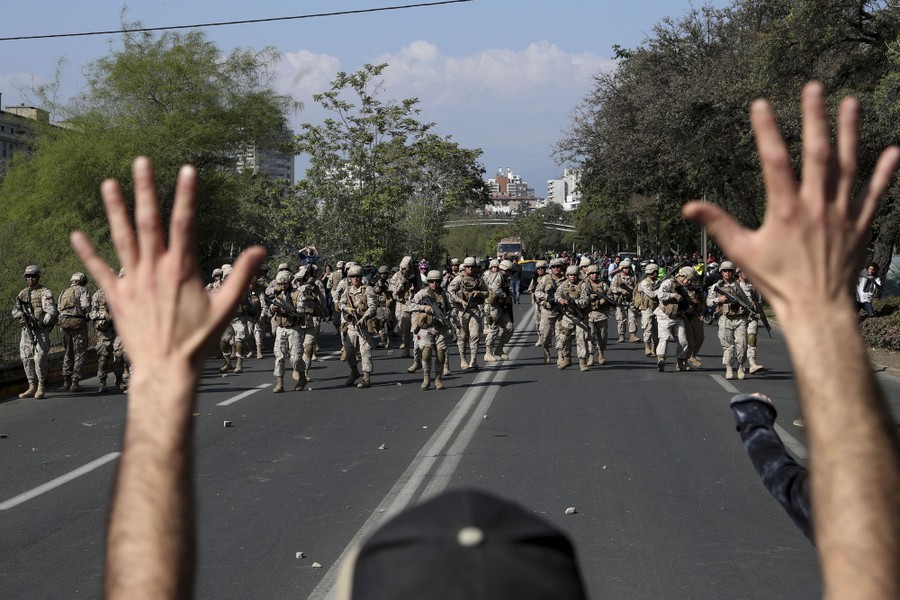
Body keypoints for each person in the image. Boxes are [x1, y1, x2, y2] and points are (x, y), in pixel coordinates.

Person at [91, 80, 900, 598]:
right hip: (442, 323)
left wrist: (160, 382)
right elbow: (875, 563)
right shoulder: (394, 284)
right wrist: (827, 319)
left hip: (493, 323)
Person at [683, 82, 900, 598]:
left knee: (741, 350)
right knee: (728, 348)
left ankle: (740, 375)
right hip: (719, 320)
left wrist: (815, 314)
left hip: (748, 333)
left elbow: (830, 500)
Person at [11, 265, 57, 399]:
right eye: (28, 276)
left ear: (38, 277)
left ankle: (41, 386)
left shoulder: (45, 292)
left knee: (40, 357)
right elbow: (15, 309)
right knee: (26, 357)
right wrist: (21, 316)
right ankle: (31, 386)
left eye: (33, 276)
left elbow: (51, 311)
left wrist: (42, 322)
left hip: (41, 329)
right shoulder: (22, 294)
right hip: (26, 330)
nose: (30, 278)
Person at [409, 269, 454, 390]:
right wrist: (424, 307)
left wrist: (447, 316)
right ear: (428, 282)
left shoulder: (445, 294)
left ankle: (438, 379)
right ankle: (426, 378)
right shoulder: (422, 293)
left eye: (437, 281)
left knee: (440, 354)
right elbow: (411, 305)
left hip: (440, 328)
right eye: (432, 282)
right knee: (426, 353)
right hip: (426, 328)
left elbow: (453, 308)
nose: (435, 284)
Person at [706, 260, 750, 380]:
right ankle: (729, 368)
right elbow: (709, 302)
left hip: (740, 319)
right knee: (728, 346)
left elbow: (749, 302)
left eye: (730, 271)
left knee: (742, 344)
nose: (727, 273)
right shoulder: (717, 287)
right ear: (721, 272)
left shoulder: (740, 285)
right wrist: (718, 300)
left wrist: (744, 310)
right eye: (725, 271)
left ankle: (741, 366)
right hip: (725, 318)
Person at [339, 264, 376, 389]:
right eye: (353, 277)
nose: (355, 279)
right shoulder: (347, 290)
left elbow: (372, 307)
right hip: (351, 325)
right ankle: (354, 372)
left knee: (365, 351)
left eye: (358, 277)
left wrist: (365, 317)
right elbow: (340, 304)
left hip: (363, 325)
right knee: (349, 351)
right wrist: (347, 309)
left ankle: (366, 377)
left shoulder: (367, 290)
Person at [447, 256, 486, 371]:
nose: (470, 269)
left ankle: (473, 360)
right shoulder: (459, 279)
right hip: (461, 311)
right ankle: (463, 360)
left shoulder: (478, 279)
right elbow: (450, 290)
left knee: (475, 335)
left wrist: (479, 292)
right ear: (464, 267)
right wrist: (460, 301)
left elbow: (487, 293)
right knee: (462, 337)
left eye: (472, 267)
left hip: (474, 309)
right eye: (468, 267)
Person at [57, 272, 92, 392]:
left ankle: (66, 380)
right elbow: (86, 306)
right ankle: (75, 382)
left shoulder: (63, 292)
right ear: (82, 281)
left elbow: (58, 309)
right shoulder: (82, 290)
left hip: (65, 325)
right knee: (80, 353)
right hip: (78, 325)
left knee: (68, 352)